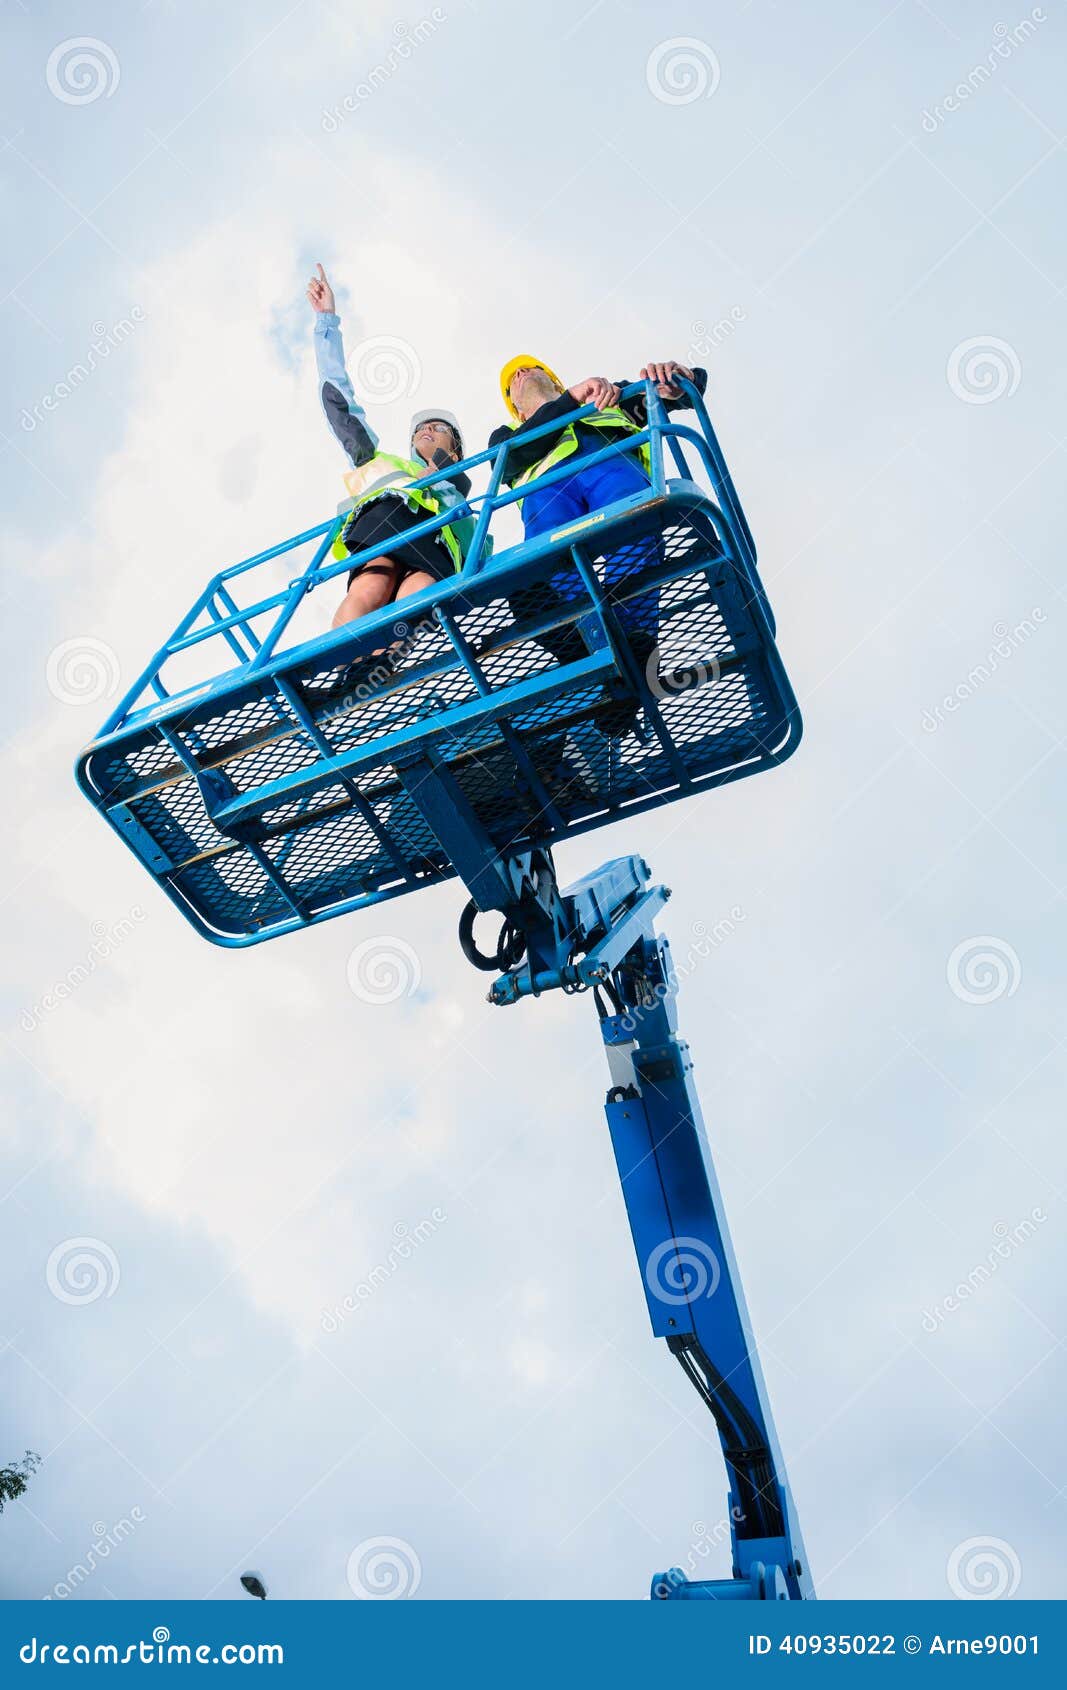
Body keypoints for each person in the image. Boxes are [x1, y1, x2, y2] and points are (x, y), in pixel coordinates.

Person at [489, 356, 708, 734]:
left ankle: (628, 656)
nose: (520, 374)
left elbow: (684, 390)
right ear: (514, 405)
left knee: (632, 529)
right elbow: (506, 461)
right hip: (549, 495)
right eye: (512, 382)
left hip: (610, 466)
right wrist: (571, 400)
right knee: (549, 569)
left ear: (554, 379)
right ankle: (612, 656)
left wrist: (675, 382)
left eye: (530, 367)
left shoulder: (609, 397)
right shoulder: (508, 435)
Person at [306, 263, 474, 682]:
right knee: (371, 585)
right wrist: (327, 322)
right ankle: (343, 667)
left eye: (439, 429)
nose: (428, 430)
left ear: (455, 445)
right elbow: (339, 400)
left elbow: (477, 552)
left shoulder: (465, 490)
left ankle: (378, 665)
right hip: (385, 523)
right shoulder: (378, 460)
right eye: (421, 428)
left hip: (436, 542)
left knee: (414, 592)